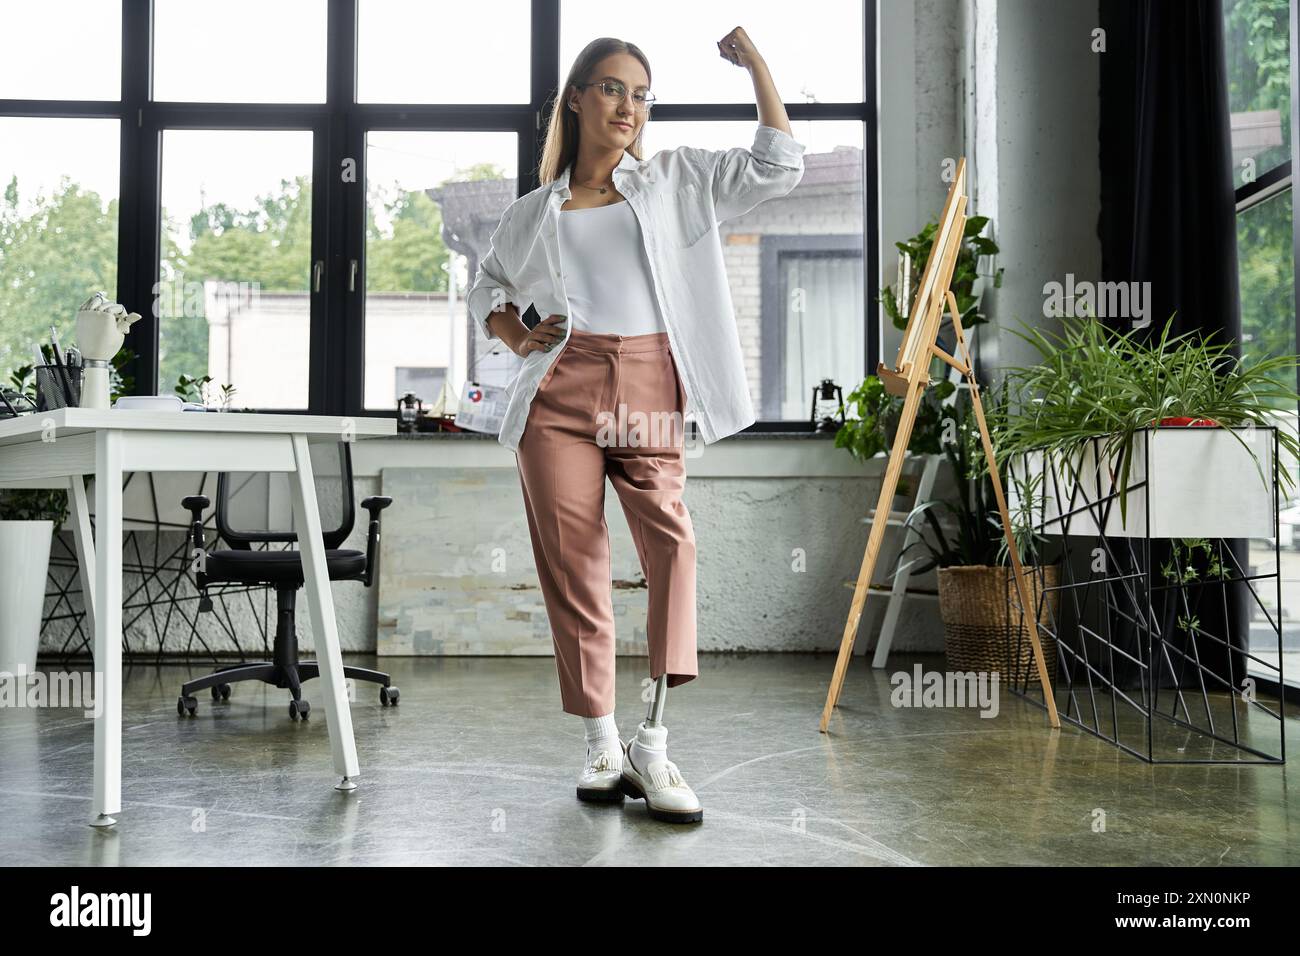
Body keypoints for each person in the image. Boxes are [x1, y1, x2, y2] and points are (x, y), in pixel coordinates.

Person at [465, 30, 805, 824]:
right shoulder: (532, 213)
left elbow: (779, 164)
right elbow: (489, 281)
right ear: (577, 99)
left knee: (672, 547)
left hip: (652, 379)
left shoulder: (678, 179)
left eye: (642, 93)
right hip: (559, 395)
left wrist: (755, 64)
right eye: (613, 88)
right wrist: (517, 336)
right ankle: (601, 741)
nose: (629, 106)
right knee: (576, 565)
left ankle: (653, 740)